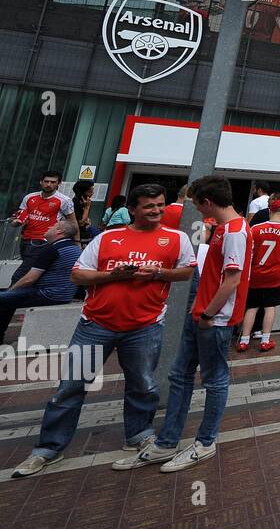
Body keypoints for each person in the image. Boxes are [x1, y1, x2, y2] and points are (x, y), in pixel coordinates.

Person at [10, 185, 196, 478]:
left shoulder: (177, 238)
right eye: (150, 206)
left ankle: (139, 434)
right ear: (133, 208)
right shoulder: (108, 237)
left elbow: (186, 271)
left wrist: (158, 273)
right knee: (70, 387)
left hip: (145, 326)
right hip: (95, 325)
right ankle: (48, 449)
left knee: (143, 385)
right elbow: (77, 274)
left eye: (160, 205)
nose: (157, 211)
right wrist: (113, 275)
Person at [115, 175, 249, 473]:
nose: (198, 212)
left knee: (213, 380)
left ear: (208, 202)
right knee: (180, 375)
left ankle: (204, 442)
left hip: (213, 319)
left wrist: (208, 314)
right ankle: (168, 441)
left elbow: (233, 279)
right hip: (202, 314)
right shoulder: (227, 228)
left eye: (199, 205)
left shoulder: (235, 231)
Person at [0, 220, 80, 341]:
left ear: (60, 231)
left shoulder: (52, 249)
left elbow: (29, 279)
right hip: (64, 294)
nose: (49, 226)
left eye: (53, 225)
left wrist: (10, 291)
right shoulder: (76, 249)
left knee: (6, 298)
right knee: (9, 300)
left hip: (47, 293)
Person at [239, 200, 280, 352]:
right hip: (276, 274)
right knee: (270, 307)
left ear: (269, 210)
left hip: (256, 272)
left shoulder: (256, 228)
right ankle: (265, 340)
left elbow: (249, 252)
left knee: (252, 307)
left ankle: (244, 339)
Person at [10, 171, 74, 258]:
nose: (49, 184)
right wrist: (15, 222)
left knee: (25, 269)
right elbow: (20, 217)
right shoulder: (29, 197)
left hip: (44, 240)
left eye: (53, 182)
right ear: (41, 182)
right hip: (26, 238)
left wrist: (76, 243)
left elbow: (72, 222)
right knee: (32, 267)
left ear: (59, 183)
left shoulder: (64, 200)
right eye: (46, 181)